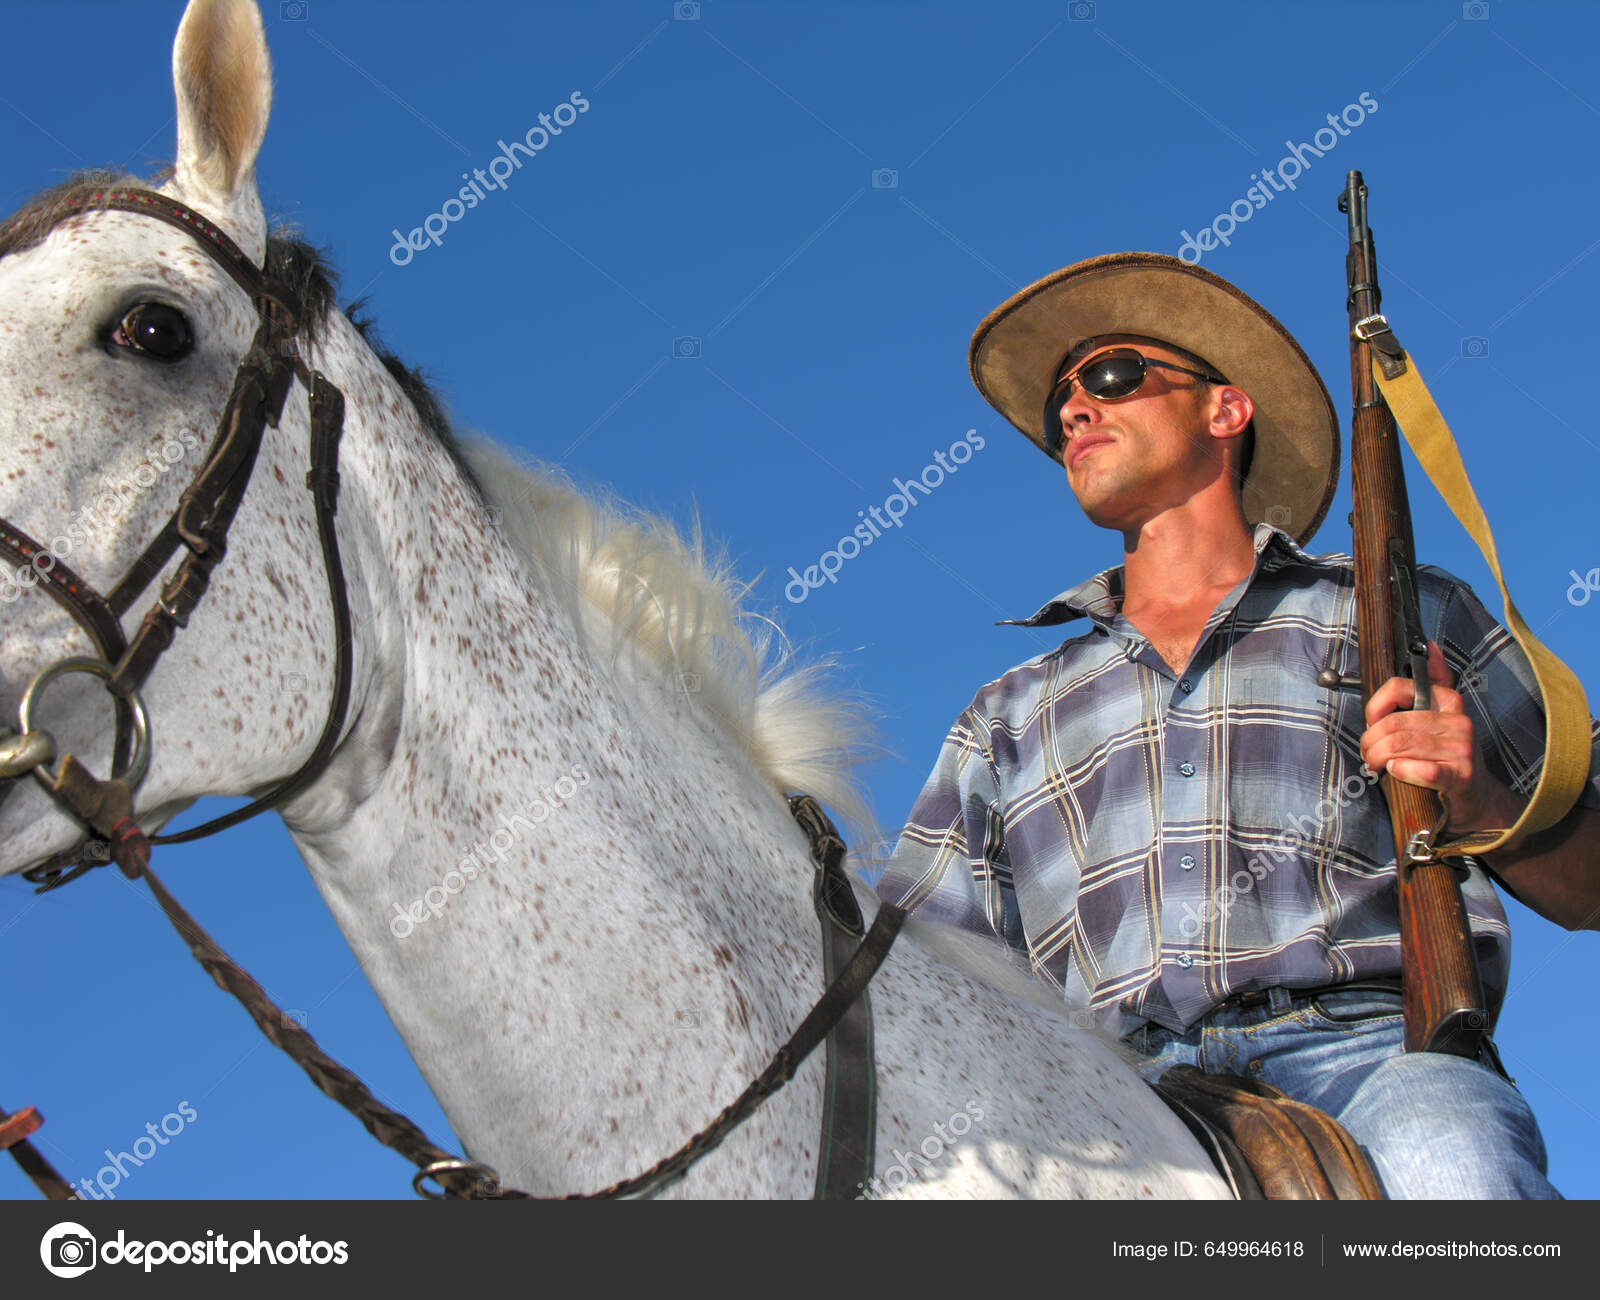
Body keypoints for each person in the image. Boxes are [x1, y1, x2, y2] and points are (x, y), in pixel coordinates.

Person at [875, 252, 1600, 1199]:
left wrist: (1481, 796)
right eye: (1063, 401)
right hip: (1096, 1094)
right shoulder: (1006, 714)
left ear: (1226, 410)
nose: (1073, 412)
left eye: (1111, 376)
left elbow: (1588, 887)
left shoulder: (1400, 613)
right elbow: (916, 975)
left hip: (1370, 1060)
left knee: (1447, 1160)